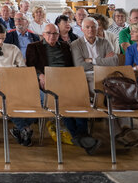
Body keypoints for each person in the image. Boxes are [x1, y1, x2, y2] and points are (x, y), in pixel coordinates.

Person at [25, 24, 100, 155]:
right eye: (48, 33)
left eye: (54, 34)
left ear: (58, 35)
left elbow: (72, 66)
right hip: (48, 82)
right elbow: (30, 67)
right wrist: (40, 75)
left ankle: (79, 136)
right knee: (62, 101)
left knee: (79, 100)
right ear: (43, 34)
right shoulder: (34, 47)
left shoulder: (65, 46)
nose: (51, 36)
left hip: (67, 80)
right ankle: (82, 136)